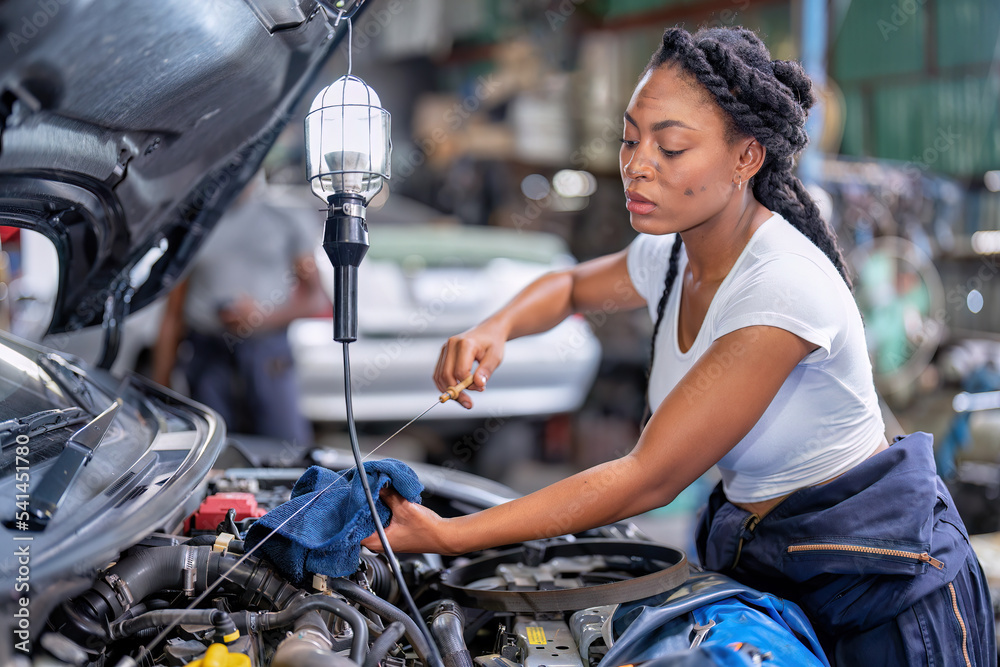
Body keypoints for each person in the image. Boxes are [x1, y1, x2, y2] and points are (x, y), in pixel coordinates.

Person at [362, 26, 995, 664]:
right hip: (774, 563)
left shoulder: (781, 286)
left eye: (670, 147)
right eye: (631, 139)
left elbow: (650, 476)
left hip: (885, 592)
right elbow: (570, 287)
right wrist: (492, 327)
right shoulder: (672, 254)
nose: (638, 164)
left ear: (747, 158)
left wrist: (449, 534)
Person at [153, 179, 325, 447]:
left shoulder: (284, 218)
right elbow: (172, 315)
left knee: (286, 451)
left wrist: (262, 317)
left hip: (268, 359)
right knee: (214, 455)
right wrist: (160, 394)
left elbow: (316, 298)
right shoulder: (195, 224)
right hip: (208, 358)